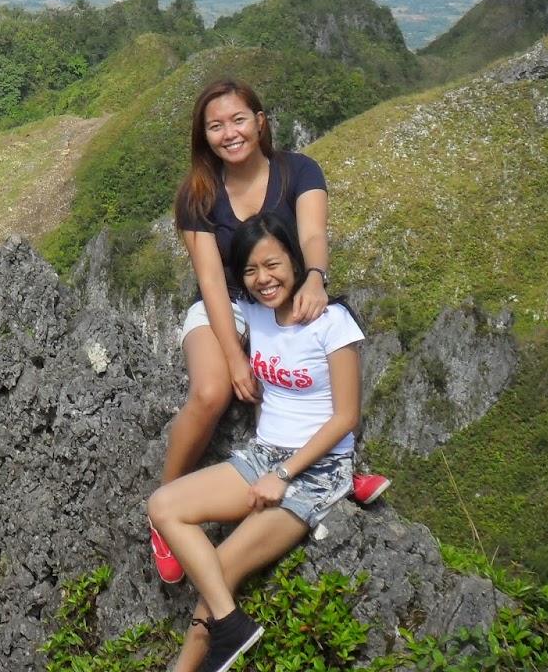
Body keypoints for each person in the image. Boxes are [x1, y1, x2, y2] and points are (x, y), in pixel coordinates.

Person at [150, 79, 386, 583]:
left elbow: (313, 233)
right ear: (203, 135)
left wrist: (317, 278)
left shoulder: (299, 170)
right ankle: (161, 510)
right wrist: (235, 356)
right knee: (212, 391)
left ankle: (335, 471)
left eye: (239, 120)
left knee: (318, 371)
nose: (229, 133)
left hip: (283, 296)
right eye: (215, 126)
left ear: (260, 121)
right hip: (229, 305)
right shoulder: (198, 194)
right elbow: (211, 278)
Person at [148, 211, 366, 672]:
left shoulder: (333, 321)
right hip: (264, 455)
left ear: (296, 262)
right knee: (164, 506)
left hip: (315, 472)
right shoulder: (253, 314)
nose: (263, 279)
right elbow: (207, 298)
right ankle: (232, 626)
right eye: (250, 270)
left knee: (221, 567)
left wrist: (283, 476)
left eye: (273, 265)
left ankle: (187, 666)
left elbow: (346, 416)